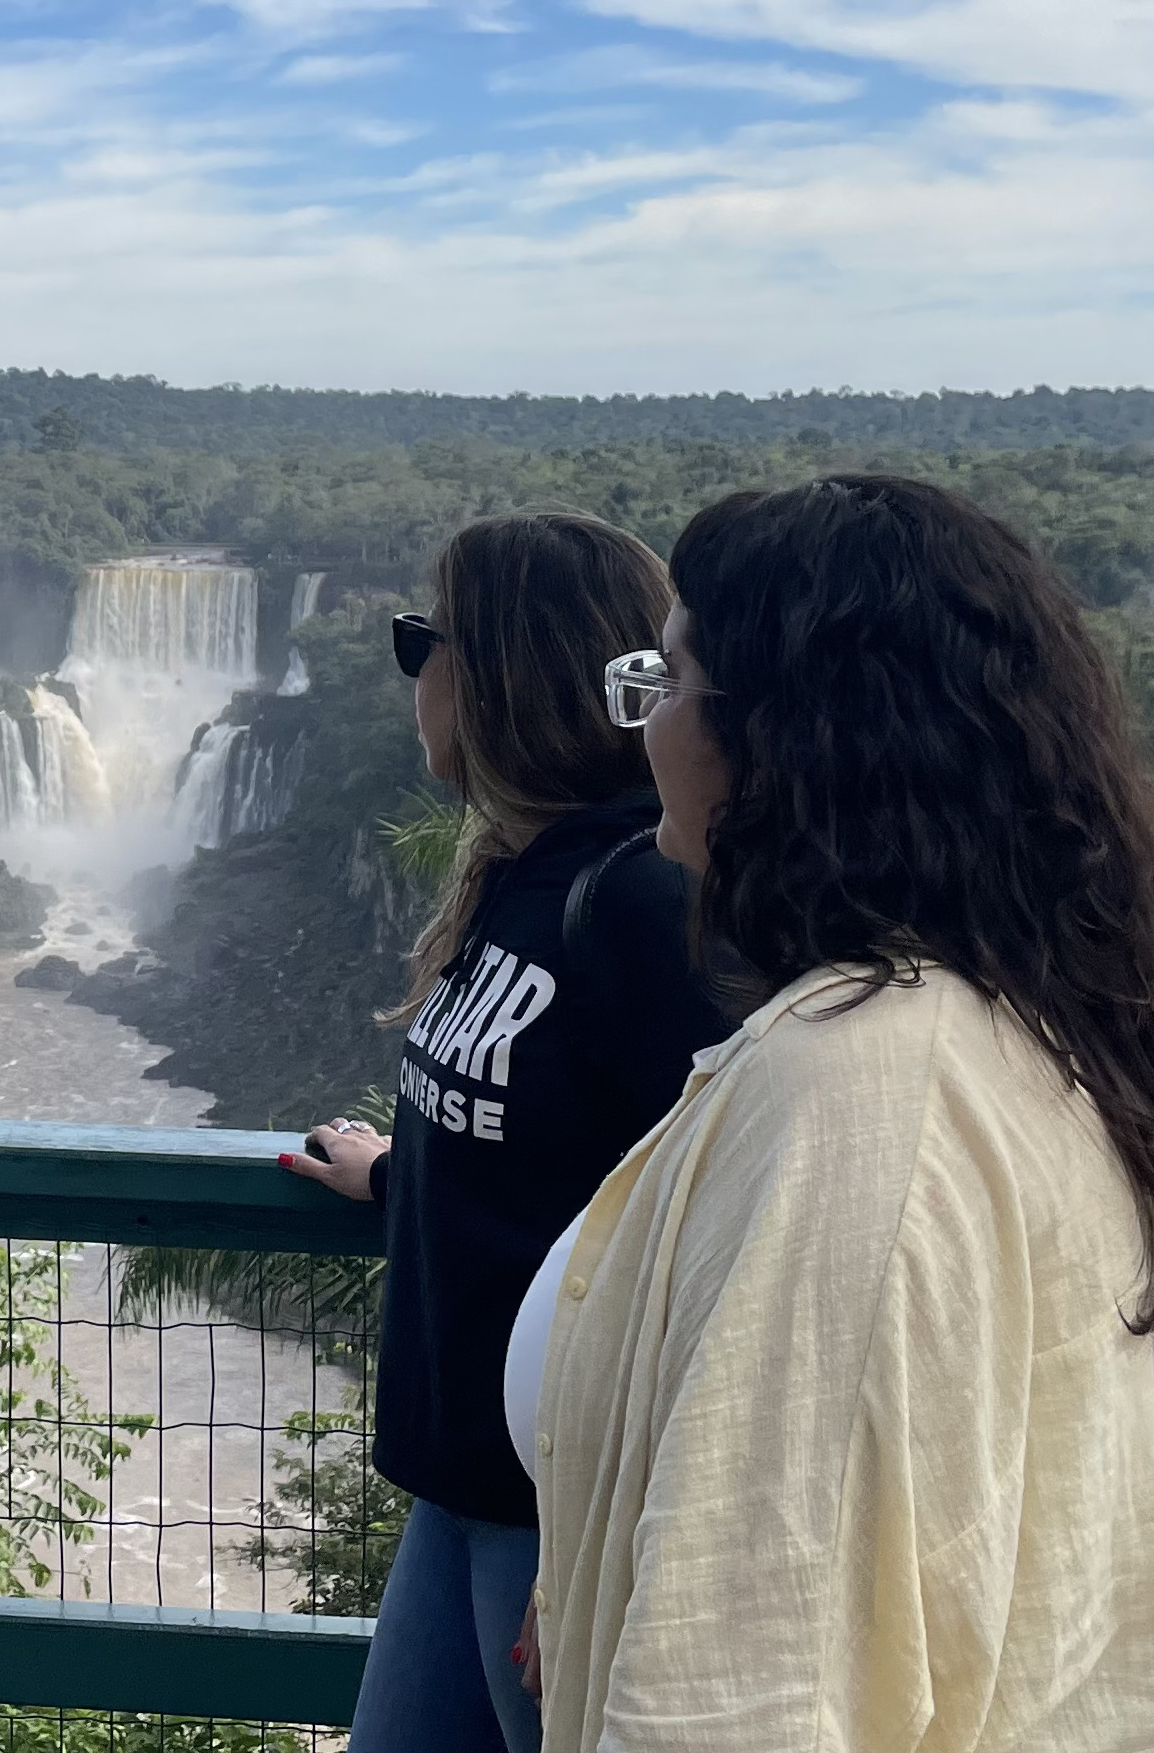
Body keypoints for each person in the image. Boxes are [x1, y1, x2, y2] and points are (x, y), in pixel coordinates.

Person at [521, 474, 1154, 1751]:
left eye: (672, 684)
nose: (649, 733)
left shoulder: (860, 1103)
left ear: (786, 745)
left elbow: (750, 1691)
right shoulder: (1030, 1018)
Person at [281, 513, 735, 1753]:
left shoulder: (640, 901)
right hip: (462, 1491)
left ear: (504, 675)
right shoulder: (523, 876)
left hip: (564, 1520)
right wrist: (398, 1177)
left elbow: (711, 1234)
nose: (413, 672)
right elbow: (553, 1152)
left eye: (424, 641)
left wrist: (605, 1538)